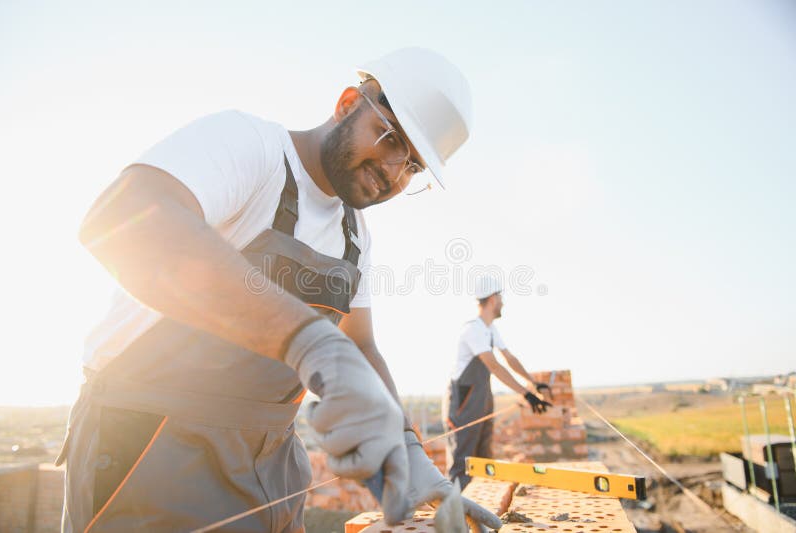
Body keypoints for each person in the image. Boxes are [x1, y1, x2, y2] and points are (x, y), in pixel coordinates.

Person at [60, 48, 502, 532]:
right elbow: (121, 221)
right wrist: (307, 339)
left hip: (272, 466)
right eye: (391, 137)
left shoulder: (355, 235)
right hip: (153, 454)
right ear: (348, 102)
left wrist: (407, 450)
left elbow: (360, 344)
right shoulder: (251, 147)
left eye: (414, 167)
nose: (394, 172)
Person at [443, 275, 553, 489]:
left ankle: (479, 513)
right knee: (462, 462)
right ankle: (455, 517)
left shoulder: (490, 329)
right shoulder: (473, 329)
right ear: (492, 299)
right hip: (463, 401)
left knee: (484, 459)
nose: (503, 302)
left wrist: (533, 383)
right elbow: (494, 365)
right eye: (501, 297)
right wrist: (526, 394)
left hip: (481, 398)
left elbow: (509, 358)